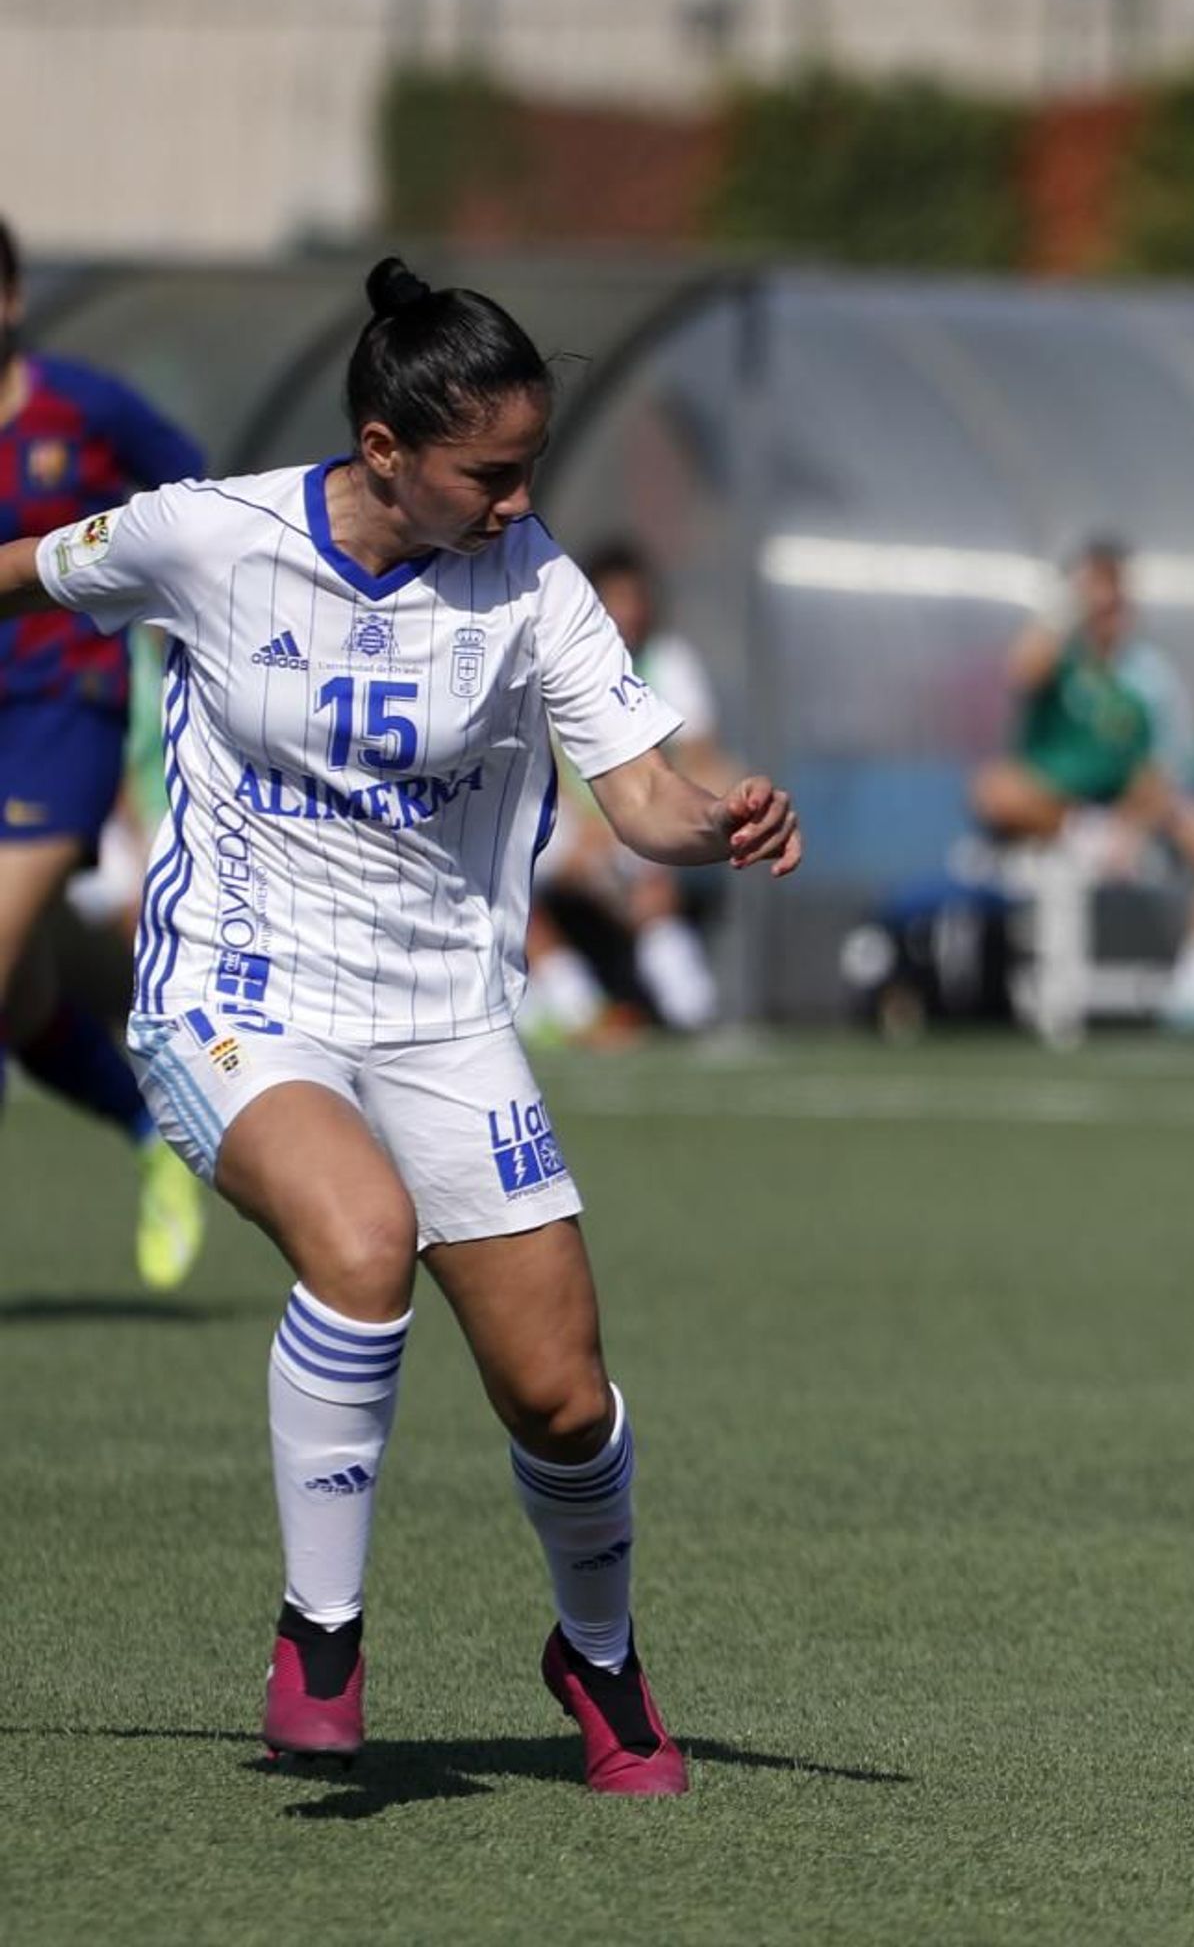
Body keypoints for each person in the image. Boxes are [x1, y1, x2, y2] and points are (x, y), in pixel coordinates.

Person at [0, 257, 805, 1793]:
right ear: (384, 451)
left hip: (443, 1015)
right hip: (236, 991)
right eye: (488, 474)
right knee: (360, 1245)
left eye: (531, 469)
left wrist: (718, 824)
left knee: (563, 1400)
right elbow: (28, 564)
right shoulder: (206, 535)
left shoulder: (535, 583)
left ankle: (600, 1655)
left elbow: (640, 797)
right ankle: (321, 1632)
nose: (518, 502)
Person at [0, 210, 211, 1287]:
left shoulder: (81, 408)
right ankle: (154, 1133)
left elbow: (198, 504)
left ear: (10, 299)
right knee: (24, 1000)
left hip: (63, 712)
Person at [969, 537, 1194, 1033]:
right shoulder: (1059, 660)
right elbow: (1021, 670)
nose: (1108, 609)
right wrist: (1070, 608)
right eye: (1096, 595)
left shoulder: (1148, 674)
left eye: (1115, 596)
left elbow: (1166, 766)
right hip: (1063, 813)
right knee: (995, 788)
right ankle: (1091, 837)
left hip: (1134, 813)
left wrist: (1132, 825)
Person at [523, 540, 734, 1037]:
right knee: (512, 870)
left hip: (632, 819)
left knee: (652, 871)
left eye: (637, 598)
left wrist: (722, 803)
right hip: (569, 819)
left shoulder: (669, 660)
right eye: (616, 598)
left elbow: (701, 758)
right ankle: (577, 1008)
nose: (630, 611)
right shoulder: (559, 660)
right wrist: (591, 827)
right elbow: (542, 761)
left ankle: (689, 1008)